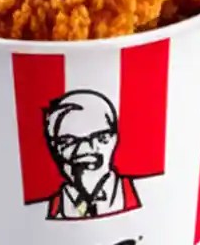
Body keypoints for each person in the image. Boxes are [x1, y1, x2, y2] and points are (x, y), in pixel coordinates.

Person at [41, 90, 141, 220]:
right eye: (68, 141)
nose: (84, 149)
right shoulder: (41, 211)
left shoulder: (147, 194)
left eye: (100, 137)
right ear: (54, 148)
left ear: (114, 139)